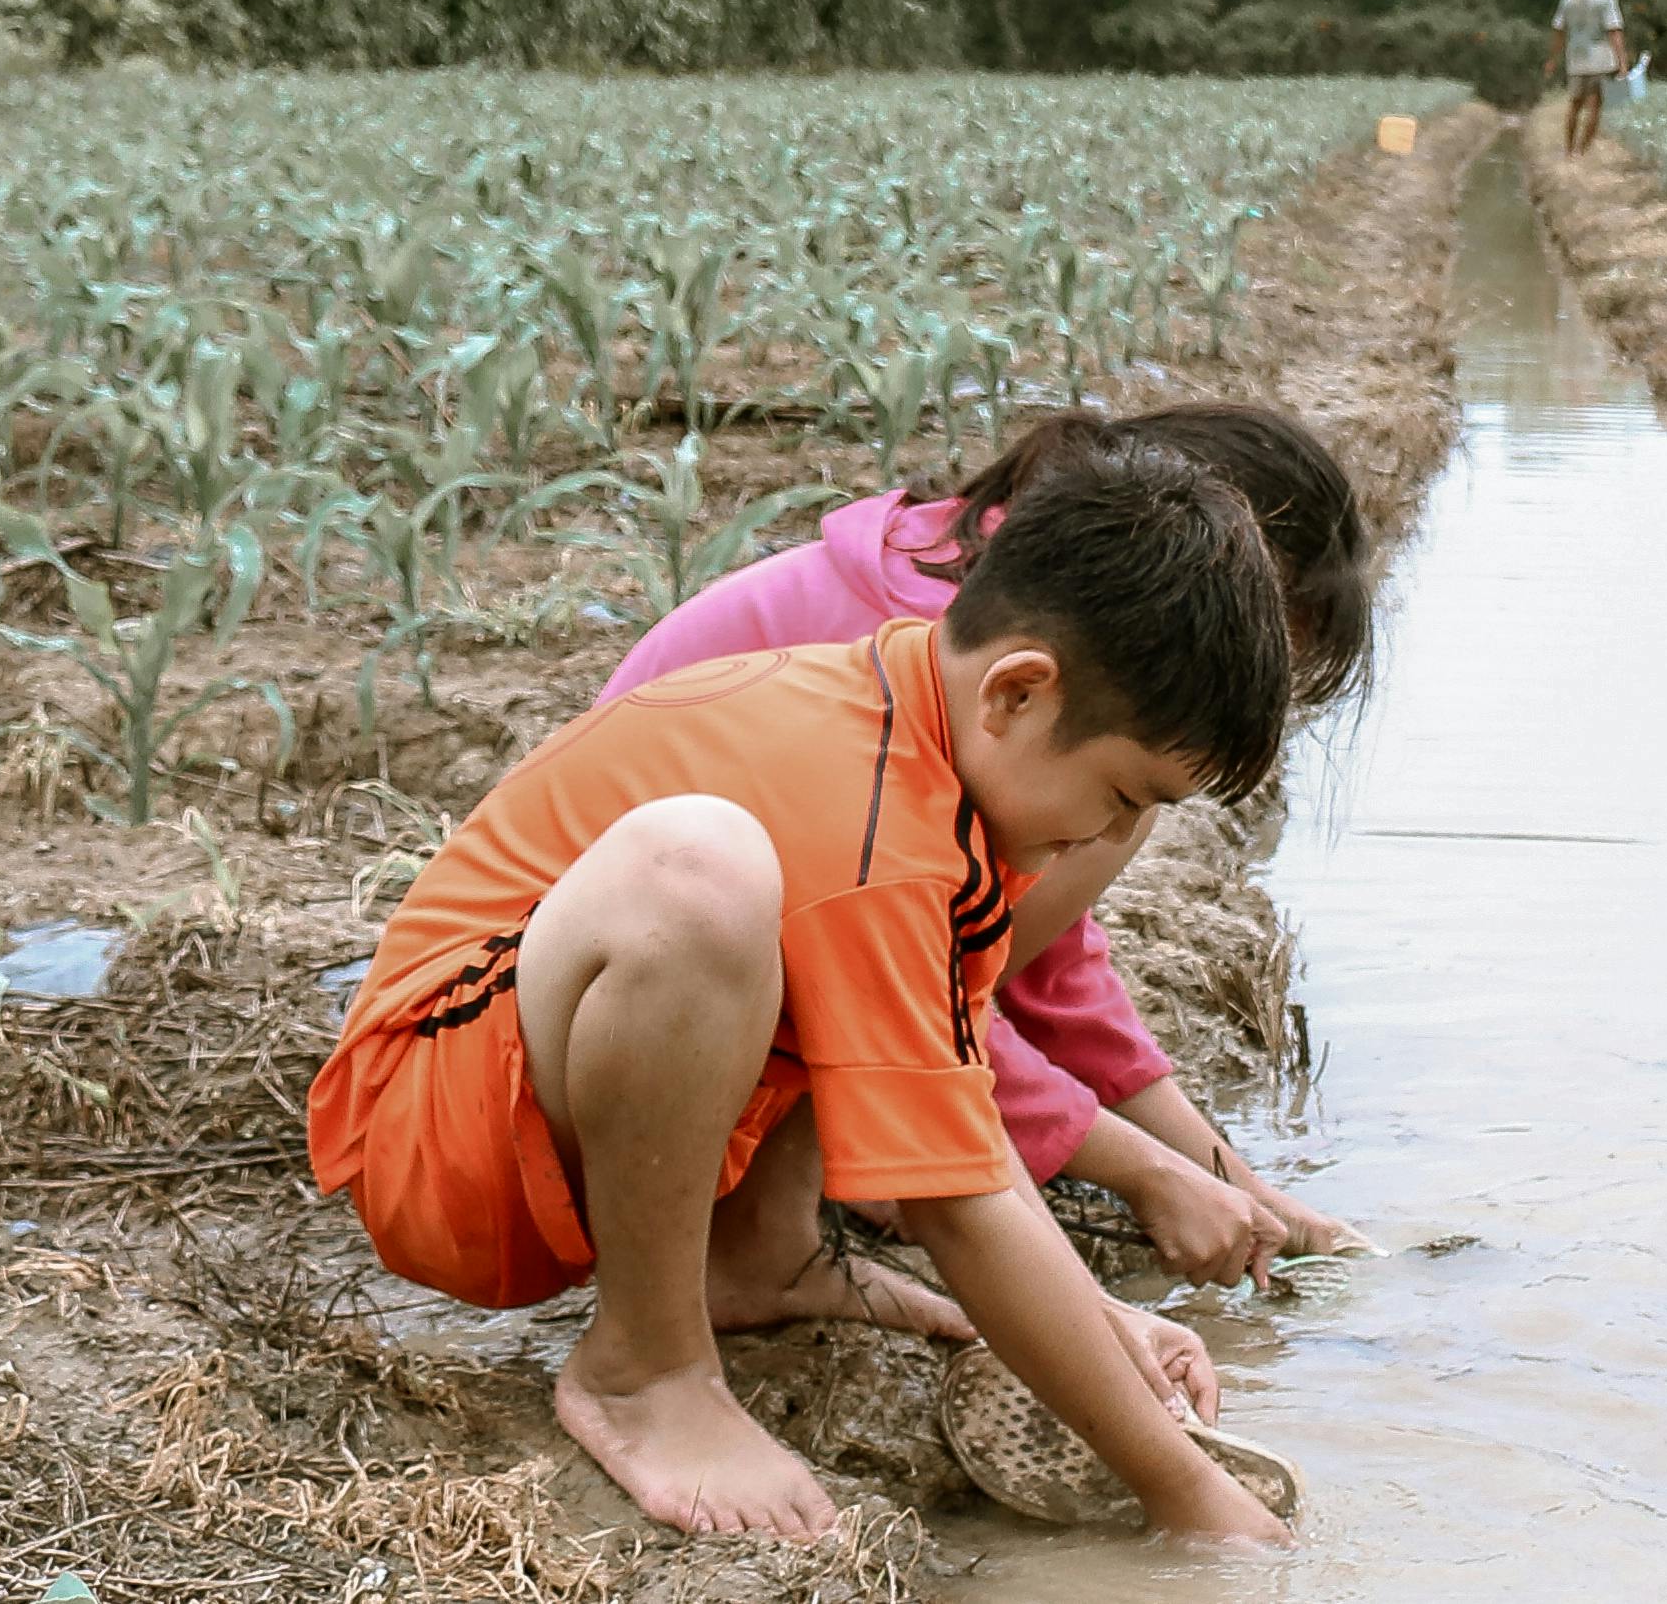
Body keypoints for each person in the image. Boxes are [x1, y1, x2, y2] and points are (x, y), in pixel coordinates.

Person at [306, 440, 1303, 1546]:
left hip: (544, 1086)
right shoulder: (871, 809)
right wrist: (1186, 1495)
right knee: (706, 873)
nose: (1115, 837)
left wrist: (1101, 1319)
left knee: (853, 975)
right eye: (1123, 795)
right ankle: (645, 1369)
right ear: (1018, 691)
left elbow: (953, 1104)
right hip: (442, 1138)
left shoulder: (932, 754)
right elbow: (954, 1208)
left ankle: (760, 1259)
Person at [595, 405, 1369, 1281]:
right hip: (630, 1033)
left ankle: (824, 1173)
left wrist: (1230, 1179)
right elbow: (909, 968)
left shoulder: (1010, 632)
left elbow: (1032, 960)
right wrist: (1138, 1171)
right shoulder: (963, 662)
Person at [1550, 0, 1628, 150]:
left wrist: (1553, 58)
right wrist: (1623, 62)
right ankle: (1583, 151)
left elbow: (1559, 30)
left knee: (1574, 104)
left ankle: (1569, 150)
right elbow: (1614, 31)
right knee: (1595, 105)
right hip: (1600, 59)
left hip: (1575, 59)